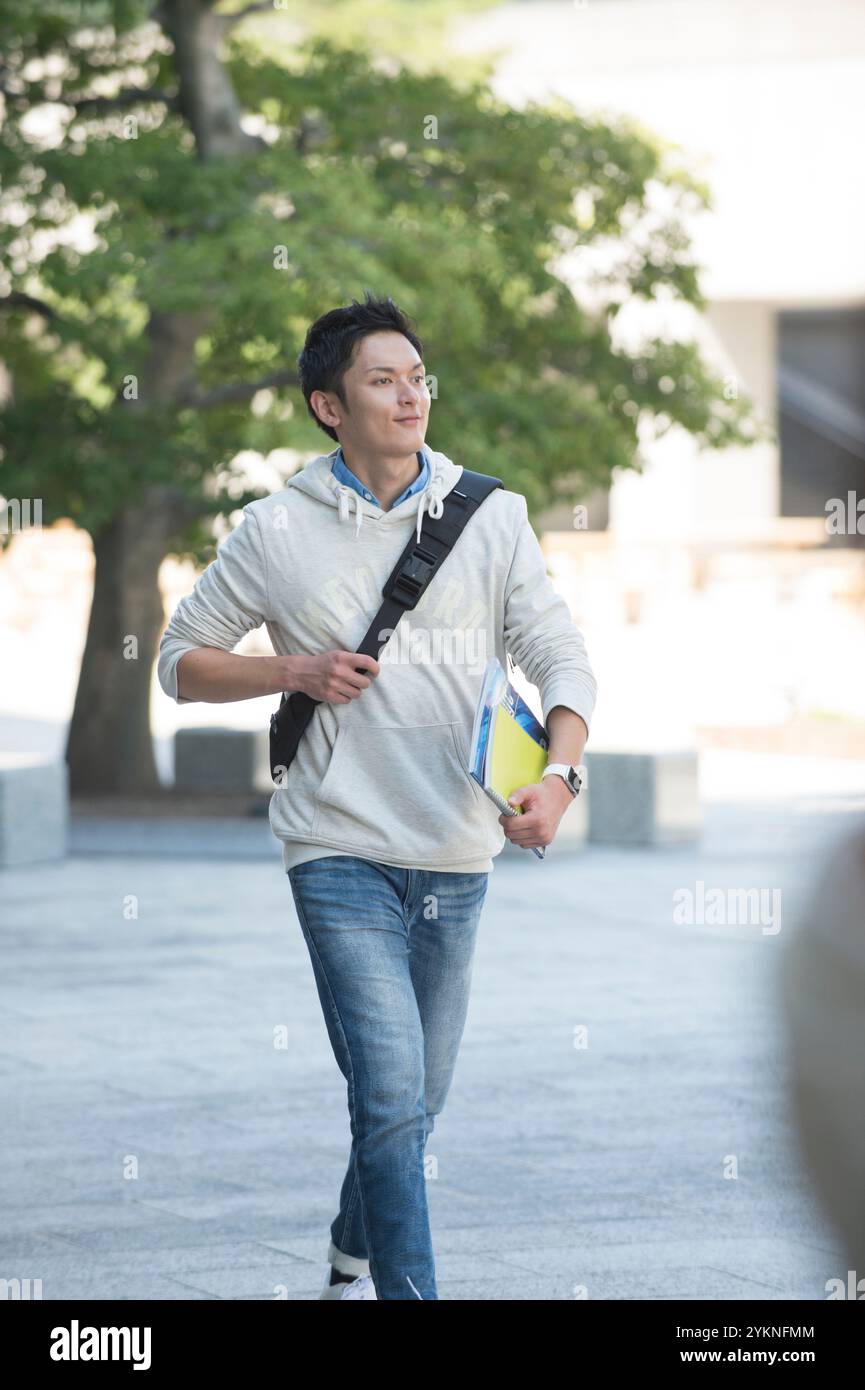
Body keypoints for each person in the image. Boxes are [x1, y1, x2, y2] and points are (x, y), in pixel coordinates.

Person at [157, 292, 597, 1300]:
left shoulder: (490, 514)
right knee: (392, 1098)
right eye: (381, 380)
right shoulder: (274, 528)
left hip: (453, 851)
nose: (409, 396)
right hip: (336, 846)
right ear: (327, 406)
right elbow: (179, 663)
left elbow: (559, 654)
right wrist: (295, 672)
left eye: (416, 377)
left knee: (414, 1100)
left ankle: (350, 1246)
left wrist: (560, 779)